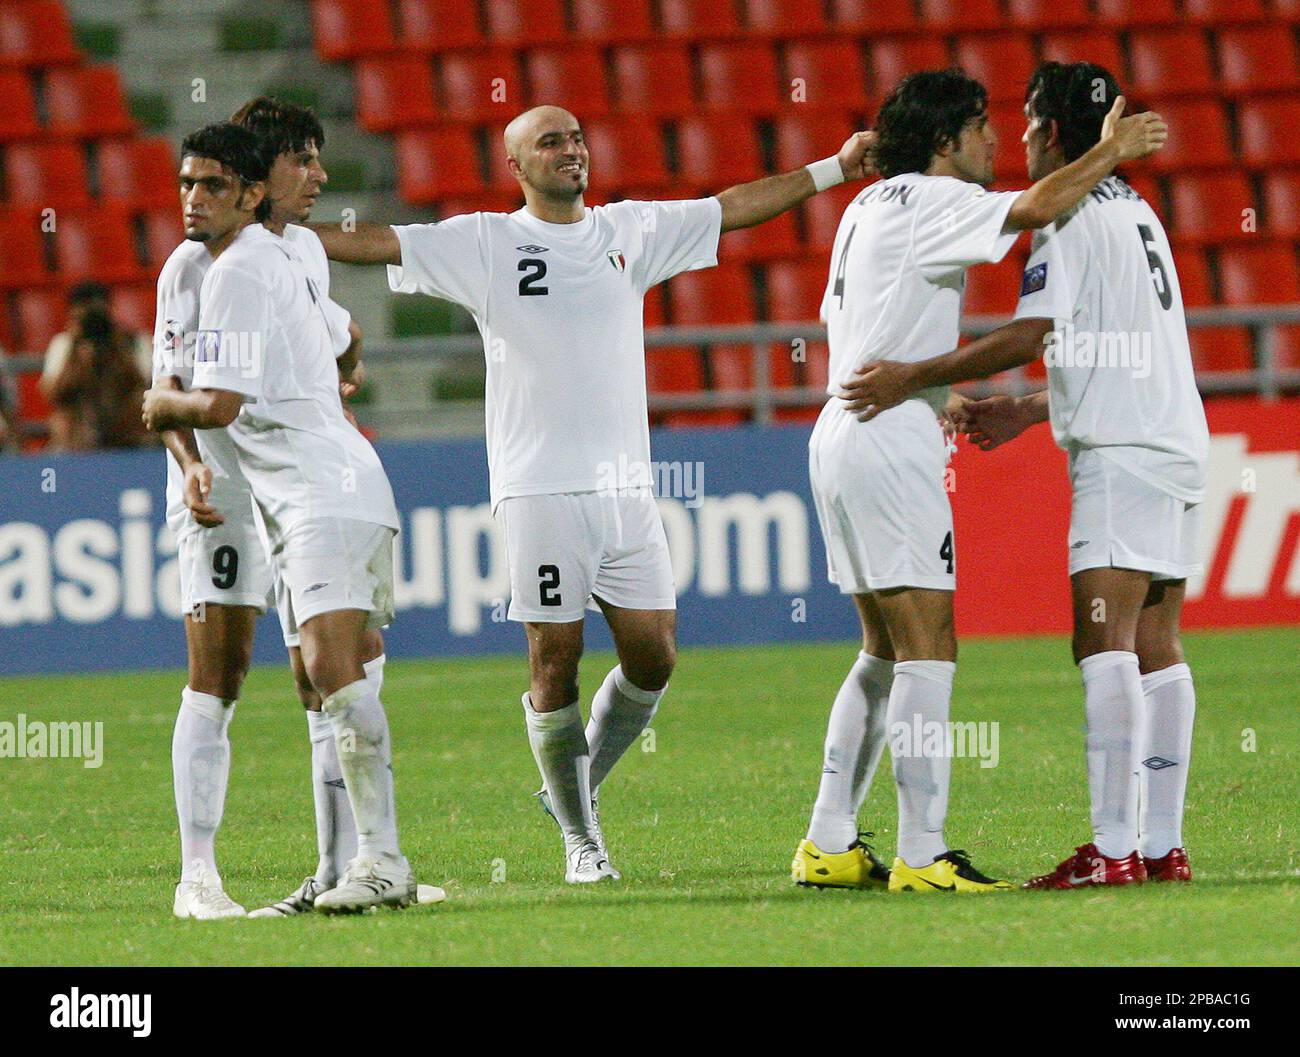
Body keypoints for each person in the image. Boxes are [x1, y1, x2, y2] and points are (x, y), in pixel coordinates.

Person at [309, 104, 876, 883]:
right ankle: (582, 839)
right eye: (550, 142)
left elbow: (732, 207)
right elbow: (374, 243)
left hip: (625, 488)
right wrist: (277, 235)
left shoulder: (629, 231)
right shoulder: (485, 241)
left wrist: (835, 170)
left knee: (654, 656)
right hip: (537, 488)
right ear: (515, 165)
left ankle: (568, 787)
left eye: (576, 138)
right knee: (555, 667)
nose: (570, 151)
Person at [791, 69, 1167, 894]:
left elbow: (857, 323)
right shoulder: (930, 198)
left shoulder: (866, 206)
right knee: (931, 650)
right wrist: (1111, 150)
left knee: (883, 650)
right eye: (981, 128)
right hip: (888, 440)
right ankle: (923, 855)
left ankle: (828, 840)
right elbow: (1037, 208)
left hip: (844, 428)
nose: (997, 141)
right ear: (944, 141)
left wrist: (932, 389)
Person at [142, 122, 415, 914]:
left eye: (210, 184)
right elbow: (180, 380)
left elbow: (336, 339)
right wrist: (190, 462)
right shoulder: (194, 267)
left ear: (244, 189)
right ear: (268, 176)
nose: (319, 177)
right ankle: (202, 874)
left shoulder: (285, 253)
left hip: (302, 488)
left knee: (326, 672)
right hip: (229, 491)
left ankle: (355, 864)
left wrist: (339, 368)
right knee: (234, 675)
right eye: (305, 160)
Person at [40, 282, 152, 451]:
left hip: (126, 431)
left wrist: (117, 347)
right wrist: (75, 352)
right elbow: (52, 394)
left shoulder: (135, 342)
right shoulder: (64, 344)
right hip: (78, 435)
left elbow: (143, 386)